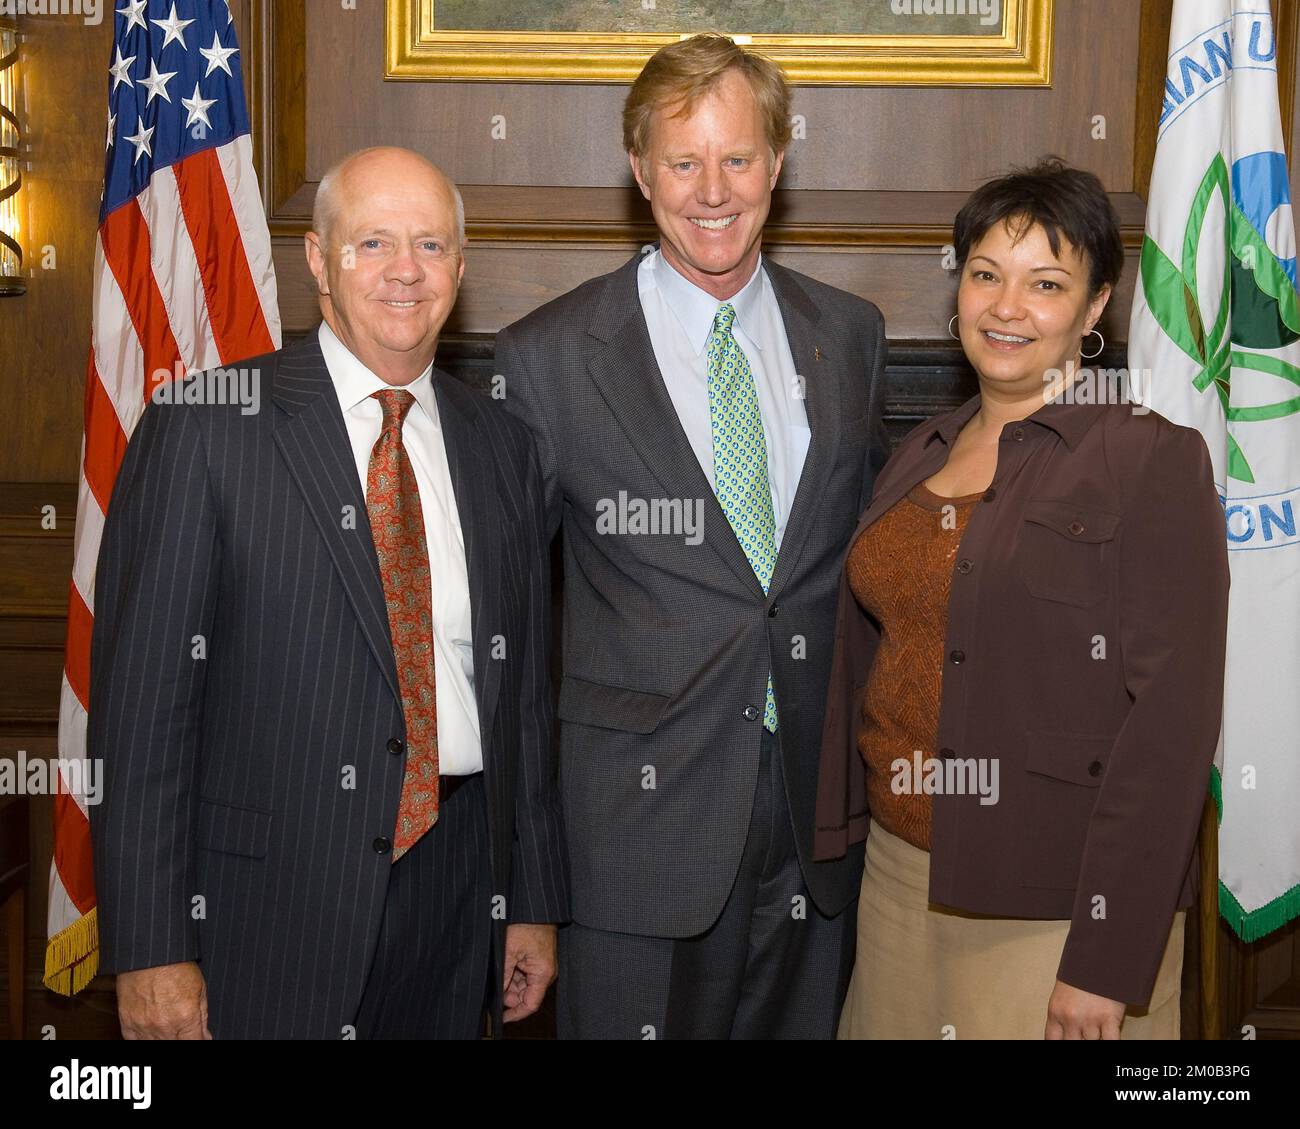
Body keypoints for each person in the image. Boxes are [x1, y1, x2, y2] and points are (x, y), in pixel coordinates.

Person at [89, 147, 568, 1039]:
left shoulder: (501, 445)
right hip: (266, 910)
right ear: (317, 260)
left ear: (460, 269)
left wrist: (530, 896)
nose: (404, 271)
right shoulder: (205, 427)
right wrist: (150, 947)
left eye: (430, 245)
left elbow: (524, 704)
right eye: (373, 242)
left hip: (461, 889)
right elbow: (141, 716)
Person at [496, 34, 889, 1039]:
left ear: (778, 163)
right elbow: (505, 642)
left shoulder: (847, 335)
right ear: (638, 170)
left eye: (738, 157)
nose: (711, 190)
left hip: (817, 827)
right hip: (630, 843)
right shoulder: (546, 360)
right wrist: (520, 880)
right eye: (682, 161)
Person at [815, 158, 1229, 1039]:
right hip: (895, 881)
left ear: (1092, 310)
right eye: (984, 275)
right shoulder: (918, 452)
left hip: (1053, 910)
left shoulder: (1148, 461)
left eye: (1046, 283)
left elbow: (1172, 723)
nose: (1007, 308)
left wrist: (1104, 960)